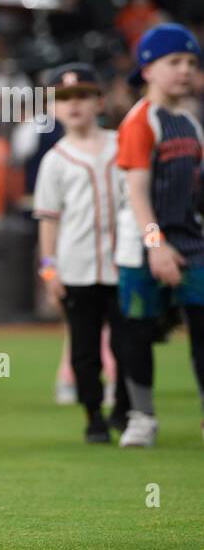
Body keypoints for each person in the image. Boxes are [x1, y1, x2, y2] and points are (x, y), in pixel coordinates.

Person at [113, 23, 204, 447]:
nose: (184, 70)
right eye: (174, 62)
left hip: (191, 242)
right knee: (136, 328)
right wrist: (157, 245)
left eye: (191, 62)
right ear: (147, 68)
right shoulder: (139, 121)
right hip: (142, 246)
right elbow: (137, 192)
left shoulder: (190, 123)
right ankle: (141, 417)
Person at [32, 64, 130, 442]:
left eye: (82, 96)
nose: (73, 105)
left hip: (124, 264)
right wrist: (49, 269)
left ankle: (126, 407)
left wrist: (153, 248)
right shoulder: (55, 159)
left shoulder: (121, 144)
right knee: (84, 348)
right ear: (53, 108)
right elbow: (48, 221)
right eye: (63, 98)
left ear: (99, 102)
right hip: (76, 267)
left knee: (129, 342)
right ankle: (93, 415)